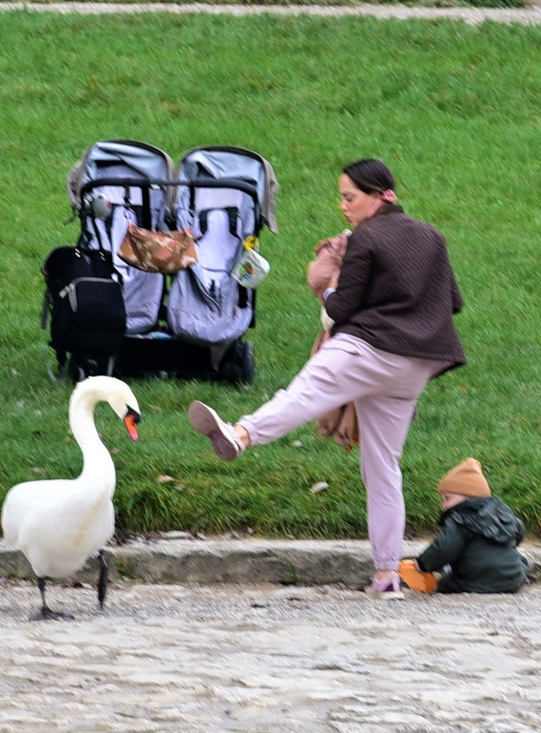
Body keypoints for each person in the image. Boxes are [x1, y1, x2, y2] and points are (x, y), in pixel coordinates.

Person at [188, 158, 465, 596]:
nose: (343, 206)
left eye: (350, 197)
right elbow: (453, 302)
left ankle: (240, 435)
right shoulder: (432, 236)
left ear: (380, 196)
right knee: (383, 468)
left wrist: (331, 287)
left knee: (304, 393)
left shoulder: (365, 237)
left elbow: (340, 309)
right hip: (416, 367)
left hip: (367, 349)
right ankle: (387, 574)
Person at [399, 458, 528, 594]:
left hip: (477, 581)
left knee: (445, 583)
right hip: (514, 578)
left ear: (469, 497)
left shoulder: (461, 519)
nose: (444, 505)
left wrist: (422, 564)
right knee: (518, 562)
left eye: (447, 498)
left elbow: (444, 548)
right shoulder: (503, 511)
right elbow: (519, 531)